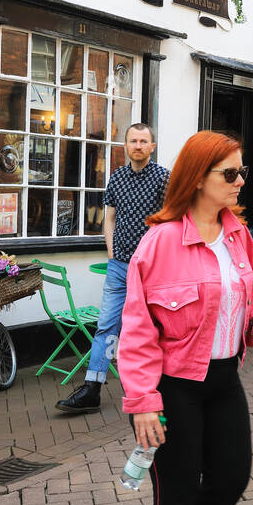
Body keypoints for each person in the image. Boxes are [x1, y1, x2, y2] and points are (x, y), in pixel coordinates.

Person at [118, 131, 253, 505]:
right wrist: (142, 402)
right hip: (175, 388)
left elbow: (246, 293)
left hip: (225, 380)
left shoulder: (239, 236)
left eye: (243, 171)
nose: (241, 181)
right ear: (197, 178)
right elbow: (138, 329)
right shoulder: (159, 243)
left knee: (232, 478)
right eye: (230, 174)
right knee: (178, 495)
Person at [58, 123, 169, 413]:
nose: (138, 145)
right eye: (133, 140)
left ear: (152, 147)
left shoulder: (163, 178)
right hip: (118, 266)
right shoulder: (117, 177)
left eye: (144, 141)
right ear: (125, 146)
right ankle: (92, 388)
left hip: (150, 269)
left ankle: (160, 389)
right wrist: (111, 252)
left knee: (153, 328)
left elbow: (171, 222)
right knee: (106, 326)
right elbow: (109, 219)